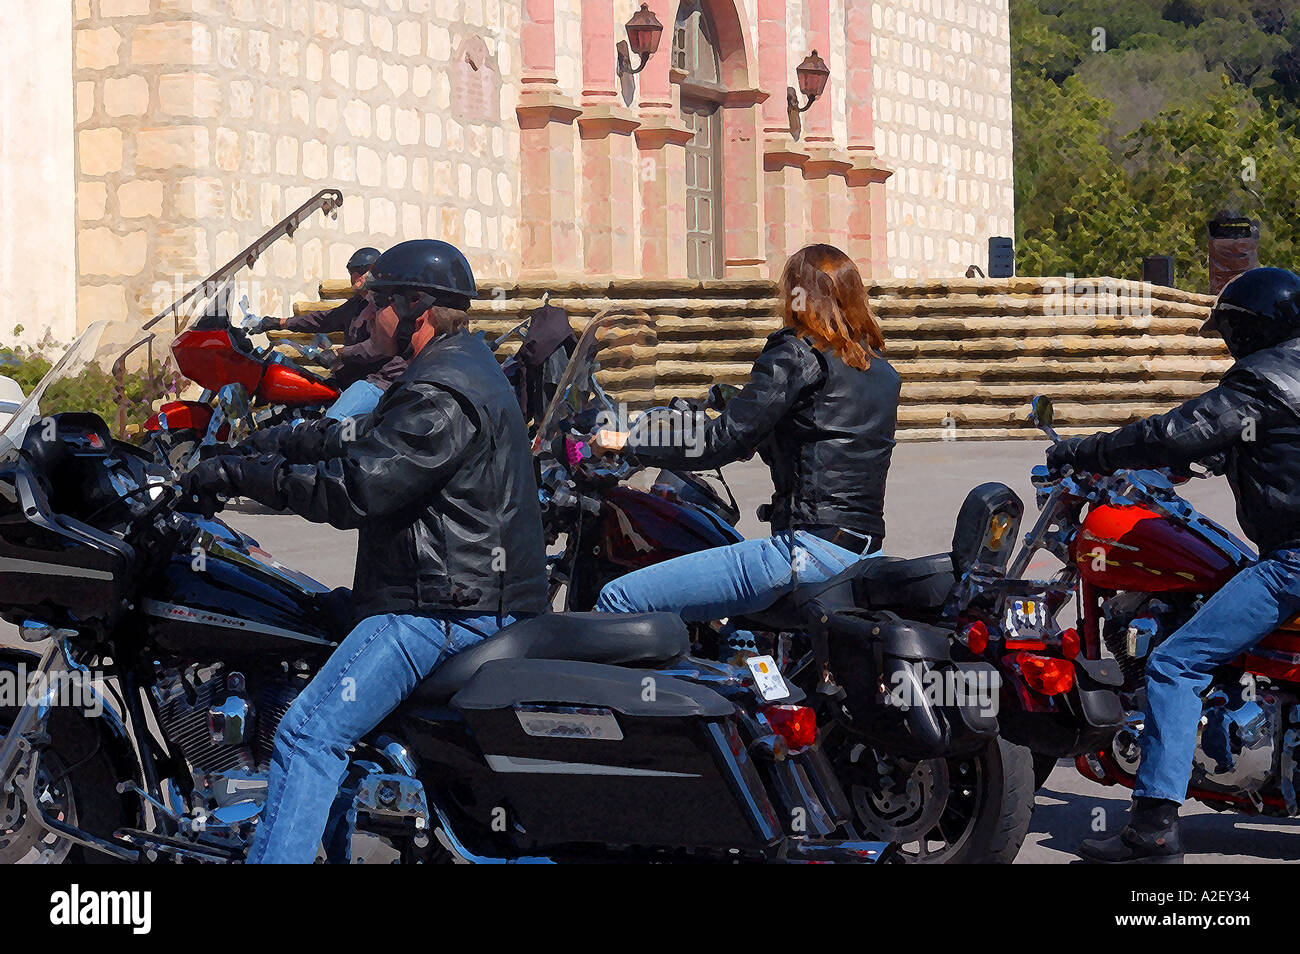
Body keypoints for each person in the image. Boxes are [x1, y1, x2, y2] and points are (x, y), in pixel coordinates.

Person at [180, 239, 548, 864]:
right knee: (304, 620)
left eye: (375, 300)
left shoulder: (441, 391)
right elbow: (363, 436)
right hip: (452, 592)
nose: (365, 311)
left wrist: (238, 476)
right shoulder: (451, 369)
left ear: (416, 308)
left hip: (443, 610)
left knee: (306, 735)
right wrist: (279, 439)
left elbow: (358, 487)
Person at [1047, 266, 1300, 864]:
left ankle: (1153, 827)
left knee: (1175, 661)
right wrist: (1196, 463)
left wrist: (1089, 449)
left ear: (1249, 331)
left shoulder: (1263, 380)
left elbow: (1174, 432)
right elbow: (1247, 441)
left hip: (1293, 561)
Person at [591, 244, 900, 630]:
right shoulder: (880, 371)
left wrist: (629, 441)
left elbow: (719, 441)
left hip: (806, 551)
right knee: (734, 631)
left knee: (619, 598)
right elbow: (816, 435)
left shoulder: (797, 354)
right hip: (862, 552)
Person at [250, 246, 405, 421]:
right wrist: (279, 323)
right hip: (348, 377)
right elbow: (324, 319)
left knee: (332, 422)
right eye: (352, 271)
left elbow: (377, 348)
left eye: (362, 270)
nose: (356, 276)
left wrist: (338, 353)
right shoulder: (356, 304)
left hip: (377, 380)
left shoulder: (388, 305)